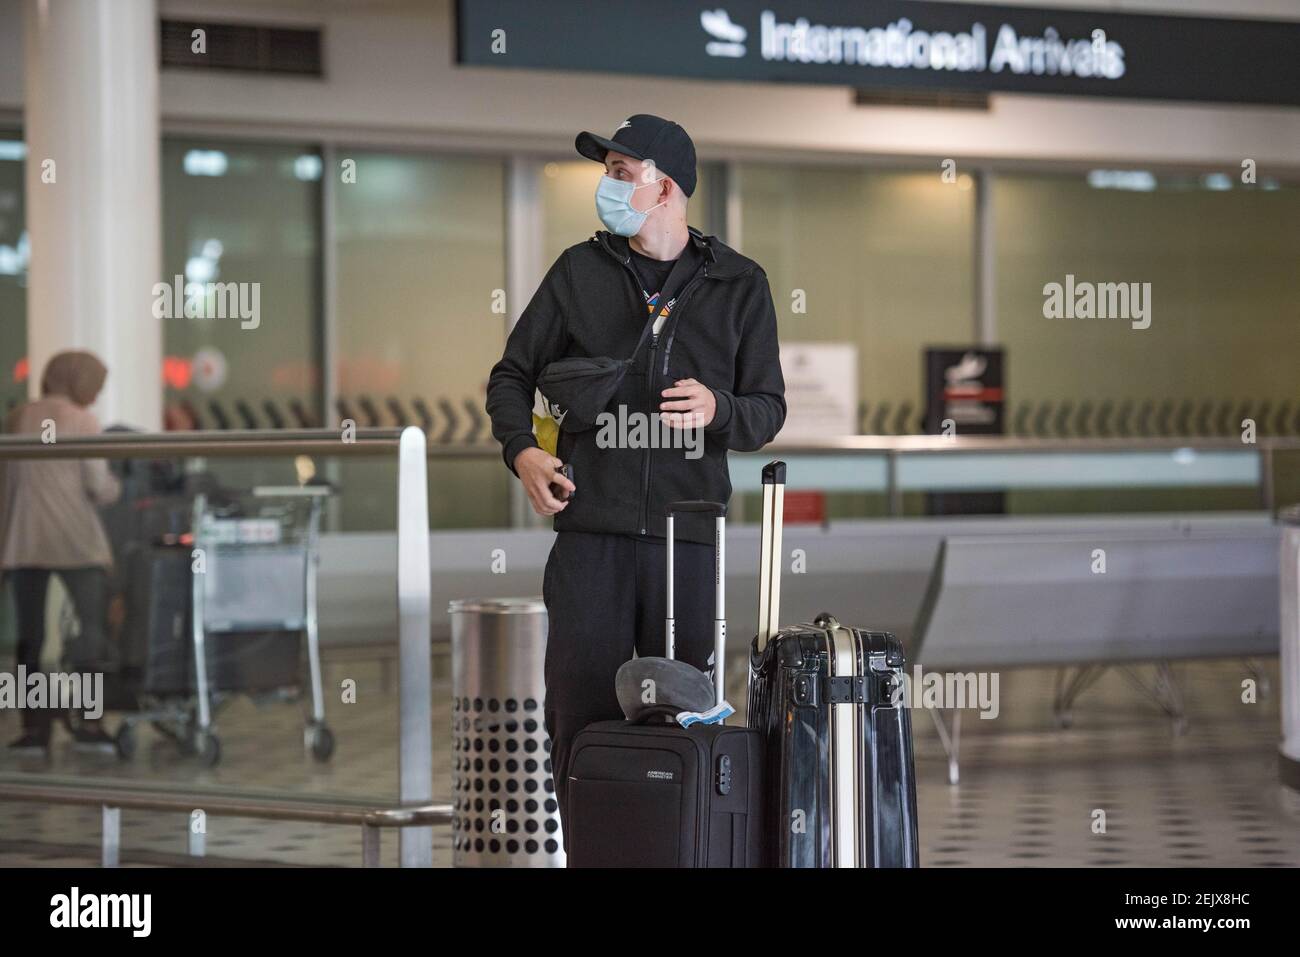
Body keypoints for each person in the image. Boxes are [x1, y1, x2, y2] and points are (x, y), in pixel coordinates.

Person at [486, 115, 786, 842]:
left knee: (683, 718)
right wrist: (522, 450)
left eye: (623, 172)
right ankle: (591, 854)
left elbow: (767, 410)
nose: (607, 185)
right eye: (608, 171)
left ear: (668, 188)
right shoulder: (578, 273)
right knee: (581, 717)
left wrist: (719, 407)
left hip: (688, 540)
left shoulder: (738, 284)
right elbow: (511, 376)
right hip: (591, 538)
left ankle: (682, 851)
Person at [0, 350, 122, 754]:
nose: (98, 395)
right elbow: (97, 484)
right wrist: (118, 489)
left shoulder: (19, 417)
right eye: (97, 385)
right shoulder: (83, 421)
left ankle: (34, 731)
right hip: (75, 541)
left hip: (25, 540)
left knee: (31, 639)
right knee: (91, 632)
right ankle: (88, 725)